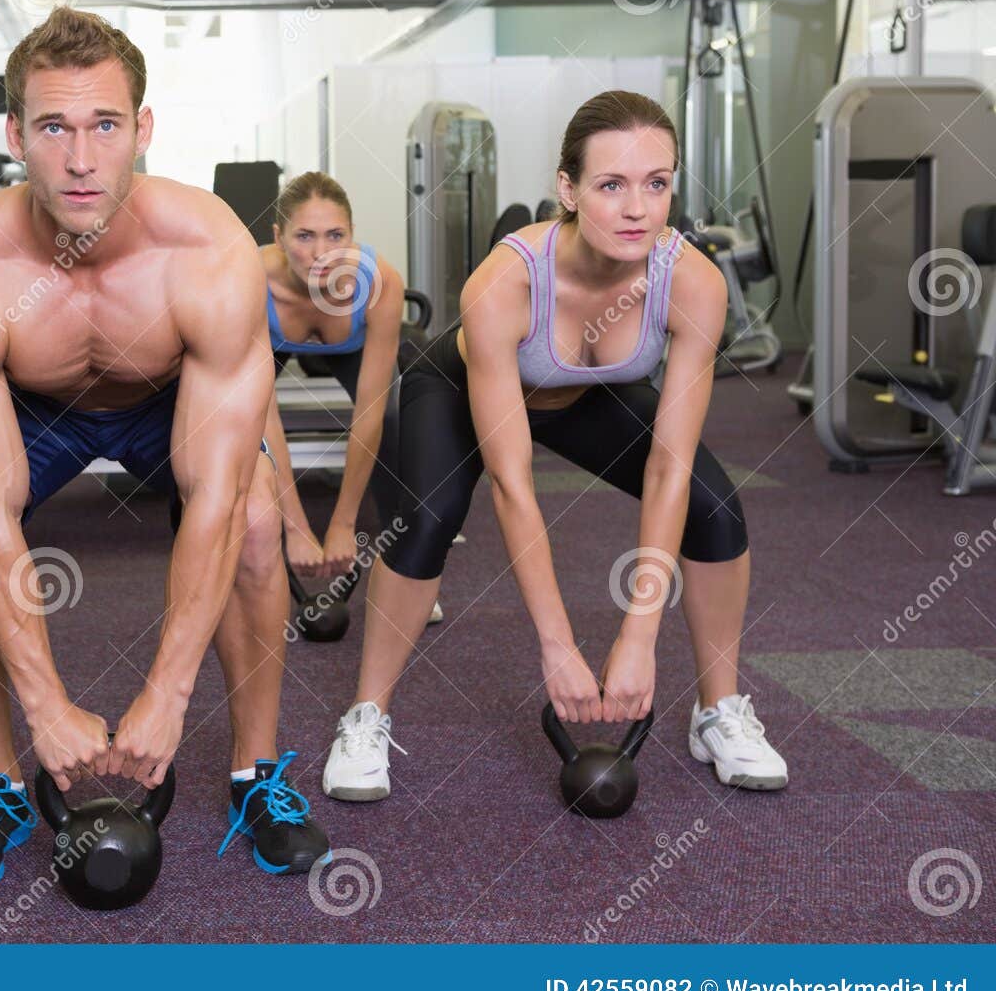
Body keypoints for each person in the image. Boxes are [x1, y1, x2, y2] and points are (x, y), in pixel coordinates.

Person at [0, 6, 330, 890]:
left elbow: (214, 499)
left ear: (143, 129)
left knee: (256, 517)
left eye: (104, 125)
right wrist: (47, 706)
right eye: (53, 128)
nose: (80, 157)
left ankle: (256, 772)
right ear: (15, 135)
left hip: (162, 397)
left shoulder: (208, 249)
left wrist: (166, 696)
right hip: (34, 407)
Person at [321, 90, 789, 802]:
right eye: (612, 185)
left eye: (657, 183)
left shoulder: (692, 281)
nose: (638, 209)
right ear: (568, 190)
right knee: (428, 519)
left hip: (586, 394)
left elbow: (668, 467)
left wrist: (639, 635)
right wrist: (558, 644)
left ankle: (717, 709)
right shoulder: (504, 283)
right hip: (459, 387)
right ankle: (366, 715)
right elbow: (513, 485)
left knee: (714, 507)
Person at [260, 171, 441, 623]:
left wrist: (344, 523)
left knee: (396, 421)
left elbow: (370, 413)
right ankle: (237, 570)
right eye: (304, 236)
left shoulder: (379, 281)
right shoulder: (248, 278)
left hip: (350, 345)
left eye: (335, 235)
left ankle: (405, 571)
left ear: (352, 235)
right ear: (279, 237)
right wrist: (295, 526)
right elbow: (263, 414)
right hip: (273, 342)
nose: (321, 252)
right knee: (232, 420)